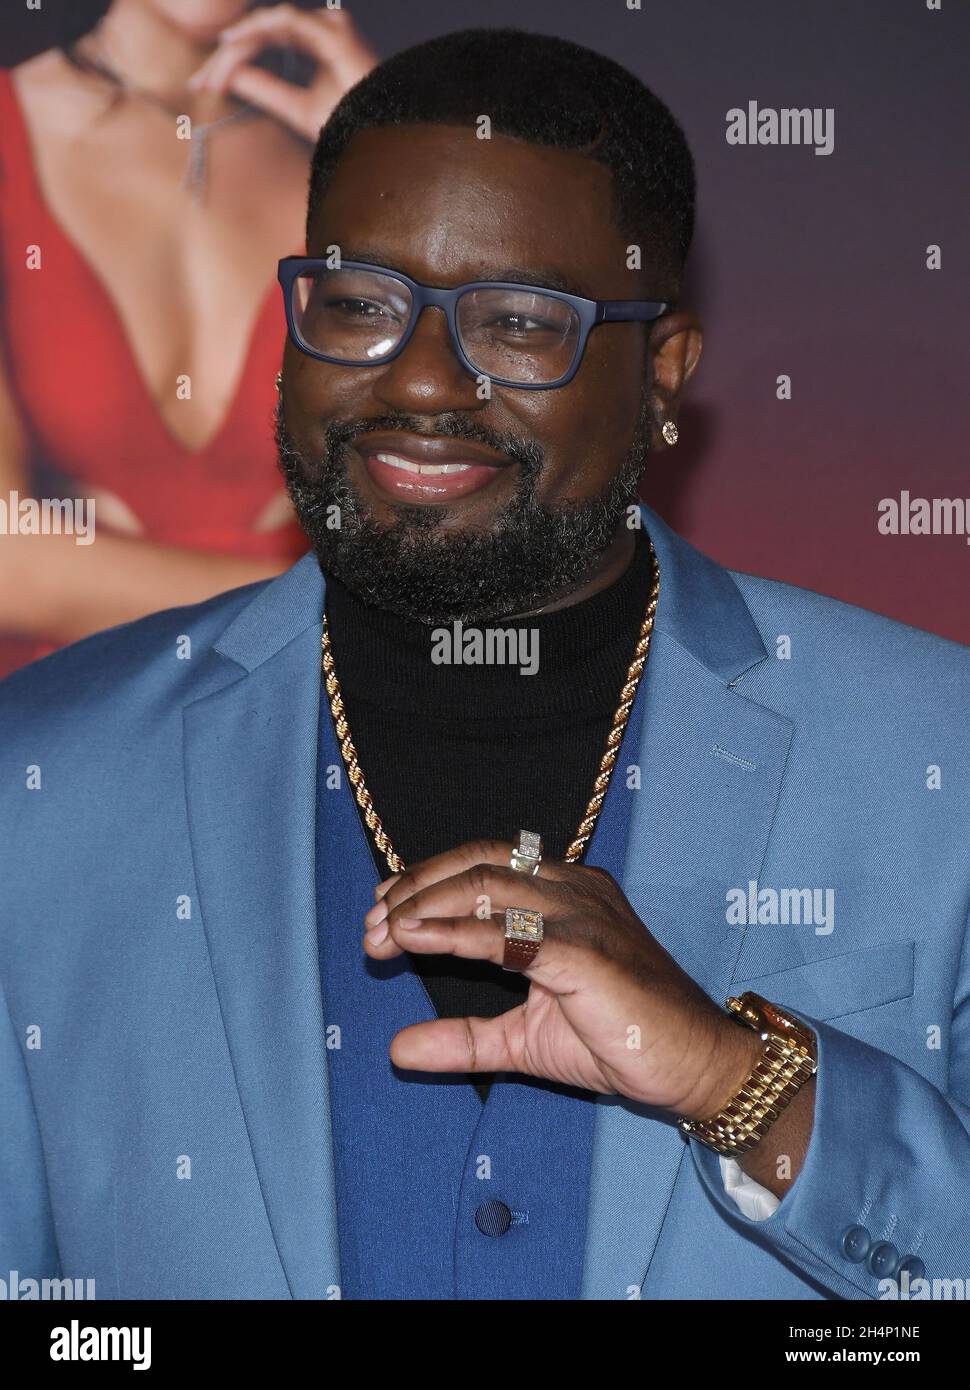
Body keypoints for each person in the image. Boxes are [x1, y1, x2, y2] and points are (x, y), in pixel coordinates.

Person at [2, 26, 968, 1302]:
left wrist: (744, 1085)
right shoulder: (47, 779)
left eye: (517, 322)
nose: (416, 379)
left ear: (665, 370)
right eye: (358, 303)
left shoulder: (930, 755)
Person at [0, 0, 375, 676]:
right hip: (69, 724)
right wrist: (345, 618)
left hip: (307, 721)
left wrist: (393, 156)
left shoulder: (358, 153)